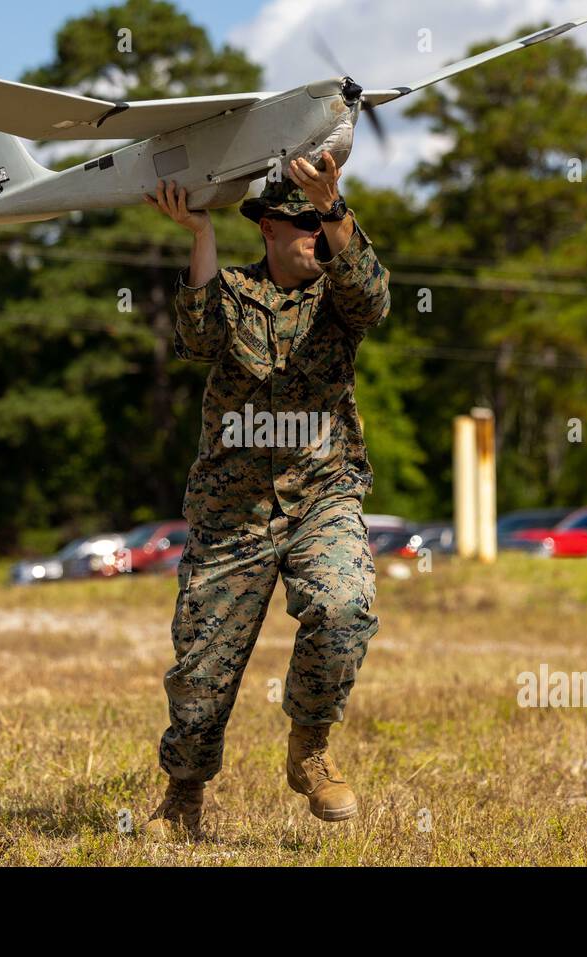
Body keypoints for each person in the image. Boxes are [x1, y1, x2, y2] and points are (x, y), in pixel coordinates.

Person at [141, 152, 390, 839]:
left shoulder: (339, 295)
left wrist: (335, 206)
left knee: (345, 606)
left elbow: (373, 296)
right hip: (234, 513)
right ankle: (183, 793)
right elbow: (197, 336)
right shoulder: (233, 291)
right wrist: (199, 235)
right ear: (269, 230)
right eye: (304, 223)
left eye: (323, 223)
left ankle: (309, 749)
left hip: (322, 497)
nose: (316, 234)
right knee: (200, 677)